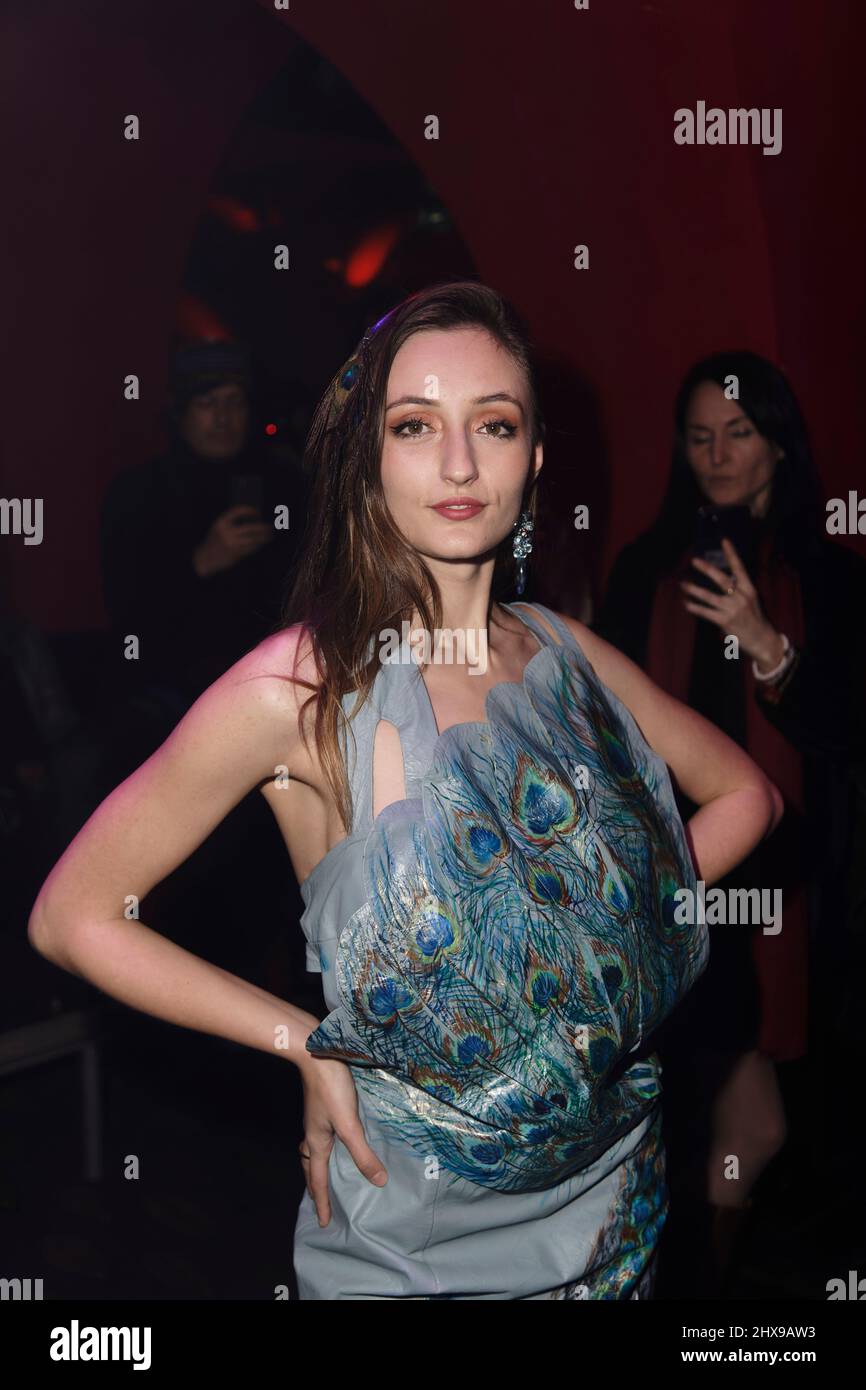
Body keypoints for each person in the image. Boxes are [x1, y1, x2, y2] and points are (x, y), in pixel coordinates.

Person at [27, 284, 783, 1301]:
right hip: (415, 1254)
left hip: (617, 1219)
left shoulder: (569, 656)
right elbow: (74, 915)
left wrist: (615, 911)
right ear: (369, 457)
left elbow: (748, 794)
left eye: (494, 425)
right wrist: (301, 1041)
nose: (460, 462)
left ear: (534, 458)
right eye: (416, 425)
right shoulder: (294, 689)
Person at [595, 350, 866, 1294]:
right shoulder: (644, 567)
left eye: (739, 434)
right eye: (700, 436)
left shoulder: (828, 576)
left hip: (794, 887)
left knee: (778, 1117)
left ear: (779, 445)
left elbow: (845, 730)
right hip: (677, 879)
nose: (717, 454)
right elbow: (606, 735)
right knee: (687, 1106)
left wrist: (770, 649)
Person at [99, 340, 308, 756]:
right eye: (207, 403)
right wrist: (201, 562)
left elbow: (307, 593)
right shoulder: (139, 492)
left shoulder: (284, 484)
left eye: (234, 402)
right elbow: (127, 613)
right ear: (181, 413)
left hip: (274, 694)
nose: (223, 417)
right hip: (170, 703)